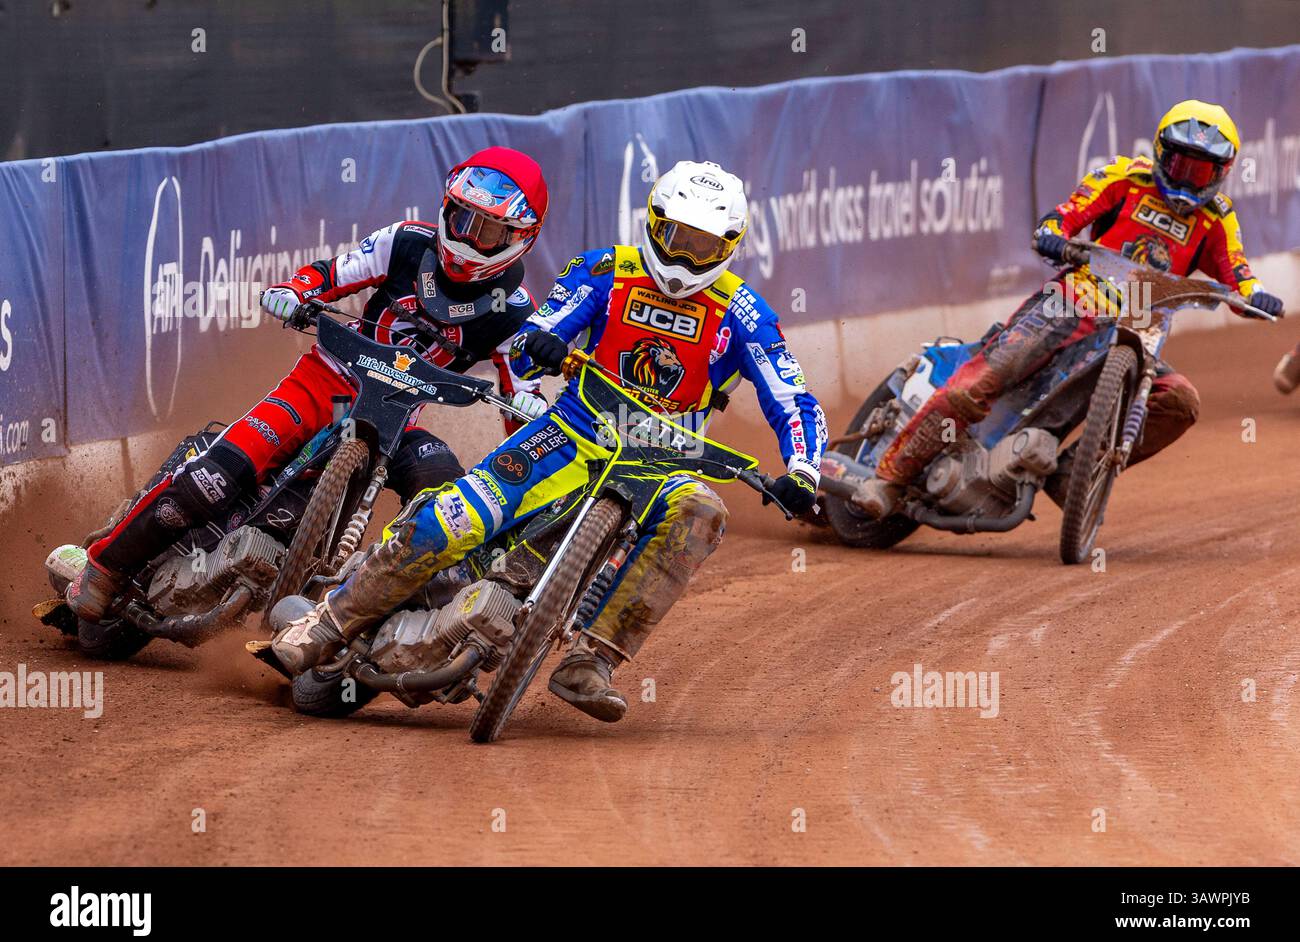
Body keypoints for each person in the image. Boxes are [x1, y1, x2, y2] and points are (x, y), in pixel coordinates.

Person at [272, 160, 828, 723]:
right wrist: (541, 343)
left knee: (703, 510)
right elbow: (535, 330)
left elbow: (793, 400)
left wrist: (803, 471)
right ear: (654, 225)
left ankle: (591, 660)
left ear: (729, 246)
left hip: (666, 459)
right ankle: (326, 623)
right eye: (675, 237)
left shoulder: (747, 314)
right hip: (570, 431)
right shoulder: (605, 270)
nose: (684, 257)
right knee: (456, 516)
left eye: (702, 244)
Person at [68, 146, 552, 623]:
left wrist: (529, 409)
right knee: (216, 474)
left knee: (445, 488)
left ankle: (369, 622)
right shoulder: (405, 241)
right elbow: (331, 274)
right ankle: (105, 566)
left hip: (398, 421)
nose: (466, 235)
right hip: (324, 383)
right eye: (461, 216)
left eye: (485, 228)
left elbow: (517, 395)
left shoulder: (517, 312)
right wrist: (293, 292)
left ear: (518, 237)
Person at [855, 99, 1285, 518]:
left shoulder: (1216, 218)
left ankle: (1074, 471)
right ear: (1160, 152)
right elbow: (1065, 215)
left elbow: (1239, 275)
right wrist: (1053, 235)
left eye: (1201, 169)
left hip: (1139, 327)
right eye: (1180, 164)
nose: (1188, 178)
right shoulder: (1123, 177)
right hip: (1072, 302)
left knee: (1181, 402)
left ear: (1222, 172)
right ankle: (889, 478)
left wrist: (1255, 297)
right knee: (984, 380)